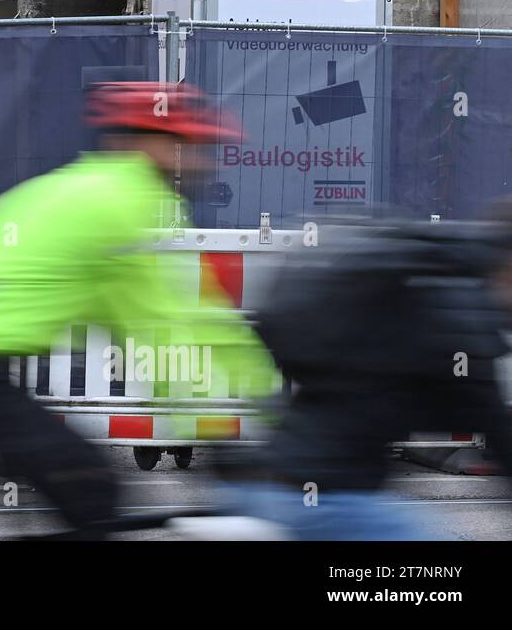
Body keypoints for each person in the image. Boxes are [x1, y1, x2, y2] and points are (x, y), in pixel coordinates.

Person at [0, 81, 278, 538]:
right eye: (190, 144)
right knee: (90, 485)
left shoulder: (83, 185)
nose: (204, 160)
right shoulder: (125, 202)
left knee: (79, 482)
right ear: (150, 144)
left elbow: (143, 320)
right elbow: (169, 328)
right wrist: (237, 424)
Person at [219, 213, 512, 539]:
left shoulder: (426, 286)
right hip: (324, 499)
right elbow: (499, 433)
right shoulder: (465, 322)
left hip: (274, 483)